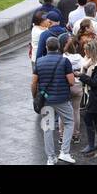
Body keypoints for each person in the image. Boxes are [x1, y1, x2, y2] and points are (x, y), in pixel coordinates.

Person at [32, 35, 77, 164]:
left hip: (46, 100)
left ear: (46, 47)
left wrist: (35, 96)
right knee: (69, 122)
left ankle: (50, 158)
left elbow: (34, 82)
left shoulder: (39, 62)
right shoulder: (64, 62)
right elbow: (72, 82)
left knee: (47, 128)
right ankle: (64, 152)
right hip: (62, 99)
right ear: (58, 47)